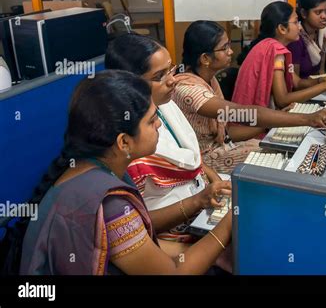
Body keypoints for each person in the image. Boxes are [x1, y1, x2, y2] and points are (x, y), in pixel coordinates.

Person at [20, 71, 232, 275]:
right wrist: (232, 220)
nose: (159, 124)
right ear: (124, 142)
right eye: (151, 120)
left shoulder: (95, 170)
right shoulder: (110, 203)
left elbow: (140, 238)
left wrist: (199, 202)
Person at [105, 34, 228, 251]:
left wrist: (213, 180)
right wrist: (198, 201)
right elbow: (139, 223)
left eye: (171, 69)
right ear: (129, 83)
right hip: (170, 233)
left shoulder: (164, 104)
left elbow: (189, 157)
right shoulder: (130, 141)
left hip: (198, 205)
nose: (172, 80)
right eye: (160, 75)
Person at [173, 20, 326, 174]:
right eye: (224, 48)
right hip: (204, 163)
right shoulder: (189, 89)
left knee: (278, 150)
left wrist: (271, 124)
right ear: (205, 59)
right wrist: (308, 119)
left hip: (222, 147)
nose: (231, 51)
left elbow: (227, 133)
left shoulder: (207, 78)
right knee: (284, 164)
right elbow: (247, 114)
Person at [233, 1, 326, 110]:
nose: (300, 27)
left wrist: (323, 80)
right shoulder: (275, 51)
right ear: (282, 29)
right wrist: (325, 86)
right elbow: (282, 100)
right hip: (252, 123)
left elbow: (297, 83)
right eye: (296, 22)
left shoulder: (271, 46)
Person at [287, 0, 326, 79]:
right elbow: (295, 84)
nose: (324, 16)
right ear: (304, 13)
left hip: (314, 85)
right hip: (302, 90)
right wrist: (323, 84)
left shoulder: (322, 33)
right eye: (318, 12)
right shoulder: (296, 39)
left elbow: (321, 72)